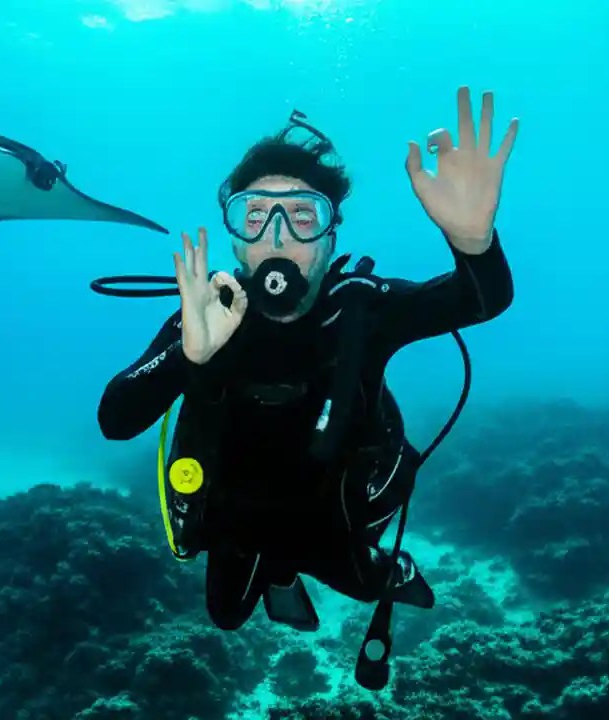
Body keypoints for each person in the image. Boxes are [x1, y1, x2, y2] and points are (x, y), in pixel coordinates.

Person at [96, 86, 518, 686]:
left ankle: (369, 569)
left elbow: (485, 299)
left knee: (371, 582)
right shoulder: (205, 316)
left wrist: (473, 243)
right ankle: (281, 576)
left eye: (302, 215)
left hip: (335, 511)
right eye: (253, 214)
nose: (276, 236)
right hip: (234, 515)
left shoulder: (364, 311)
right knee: (225, 616)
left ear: (330, 235)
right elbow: (115, 419)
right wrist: (189, 358)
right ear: (235, 237)